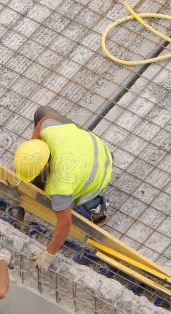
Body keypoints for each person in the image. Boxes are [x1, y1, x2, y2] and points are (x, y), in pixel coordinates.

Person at [13, 105, 113, 272]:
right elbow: (42, 120)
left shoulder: (59, 183)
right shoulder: (48, 131)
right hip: (93, 145)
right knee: (41, 111)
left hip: (100, 173)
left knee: (46, 192)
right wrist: (34, 144)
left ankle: (93, 207)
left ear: (45, 166)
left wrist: (48, 254)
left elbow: (64, 224)